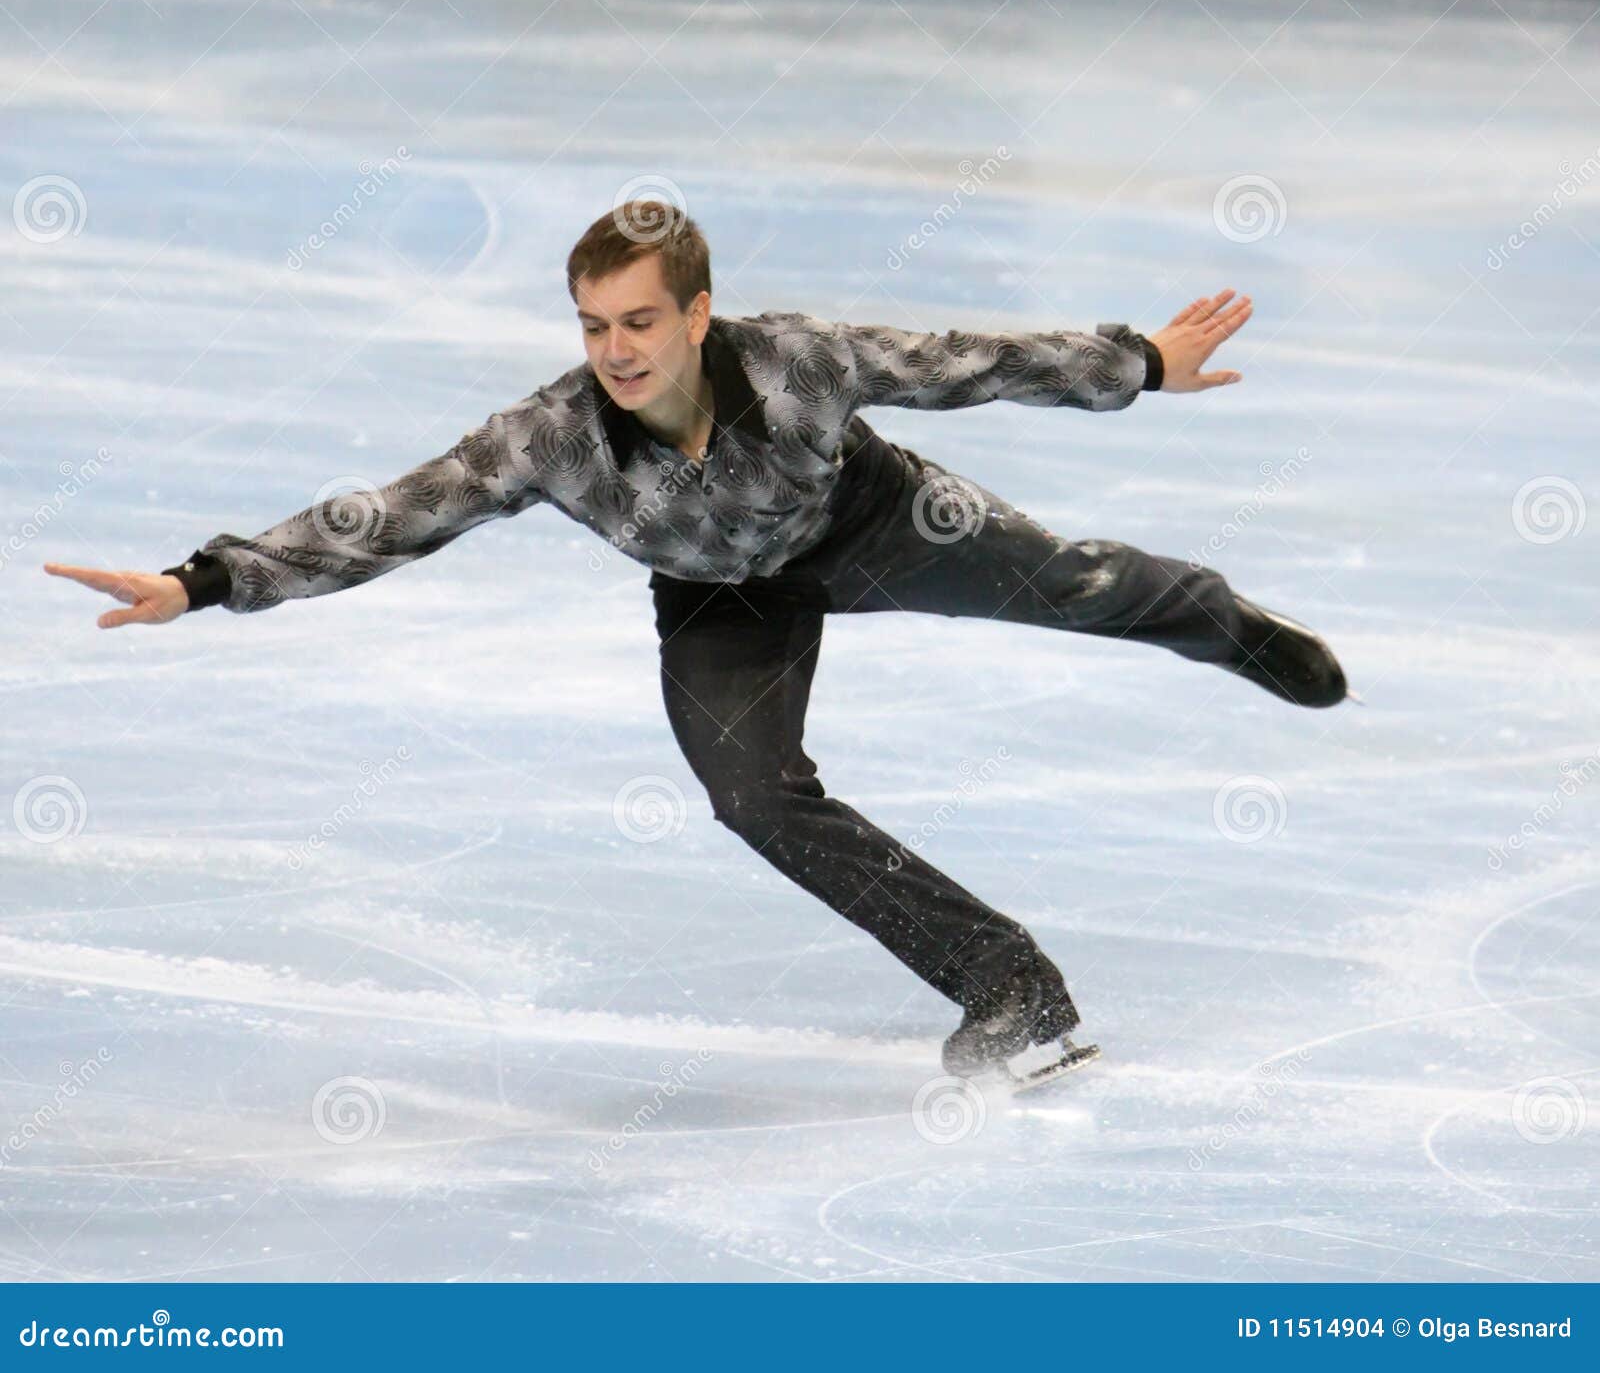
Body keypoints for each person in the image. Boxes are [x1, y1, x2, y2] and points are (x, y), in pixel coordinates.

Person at [44, 200, 1347, 1079]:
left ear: (698, 312)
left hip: (874, 517)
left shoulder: (798, 360)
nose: (616, 350)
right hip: (720, 598)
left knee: (1071, 583)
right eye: (594, 325)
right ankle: (1011, 987)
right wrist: (207, 580)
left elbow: (967, 359)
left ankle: (1214, 618)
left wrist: (1138, 363)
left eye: (640, 322)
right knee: (751, 793)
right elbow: (393, 514)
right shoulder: (546, 438)